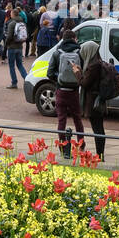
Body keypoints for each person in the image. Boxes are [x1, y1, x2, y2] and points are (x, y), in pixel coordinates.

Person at [47, 27, 85, 158]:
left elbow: (49, 73)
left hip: (61, 91)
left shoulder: (57, 53)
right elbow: (83, 71)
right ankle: (81, 144)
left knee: (61, 120)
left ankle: (63, 145)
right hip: (74, 91)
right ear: (74, 39)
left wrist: (59, 80)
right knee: (77, 119)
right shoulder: (79, 52)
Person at [76, 40, 111, 162]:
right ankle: (100, 155)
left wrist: (77, 73)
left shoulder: (93, 65)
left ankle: (100, 155)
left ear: (89, 52)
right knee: (98, 127)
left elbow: (85, 83)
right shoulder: (96, 63)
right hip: (96, 100)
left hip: (93, 102)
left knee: (98, 129)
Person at [4, 6, 30, 88]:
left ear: (13, 14)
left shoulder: (12, 23)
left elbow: (9, 37)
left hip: (12, 47)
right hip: (19, 46)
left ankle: (14, 83)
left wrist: (6, 44)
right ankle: (27, 79)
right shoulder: (23, 23)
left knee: (12, 66)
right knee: (20, 65)